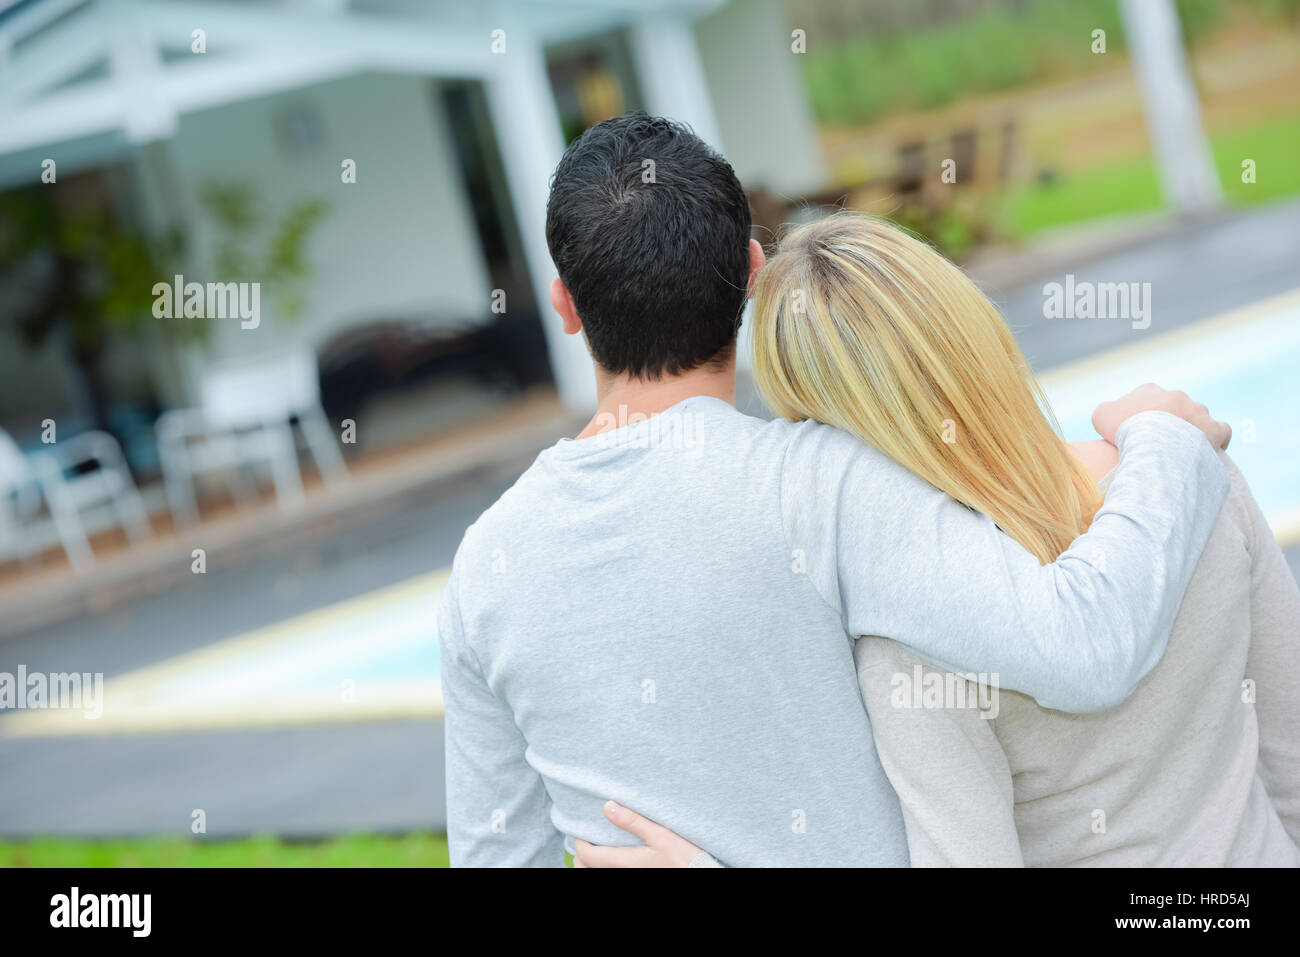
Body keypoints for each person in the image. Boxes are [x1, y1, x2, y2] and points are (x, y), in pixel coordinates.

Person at [440, 114, 1230, 867]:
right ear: (753, 274)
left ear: (565, 307)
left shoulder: (485, 570)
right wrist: (1164, 436)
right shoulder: (827, 488)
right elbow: (1087, 646)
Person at [573, 214, 1297, 868]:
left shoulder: (912, 641)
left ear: (823, 430)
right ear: (969, 328)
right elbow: (1291, 753)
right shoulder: (1192, 473)